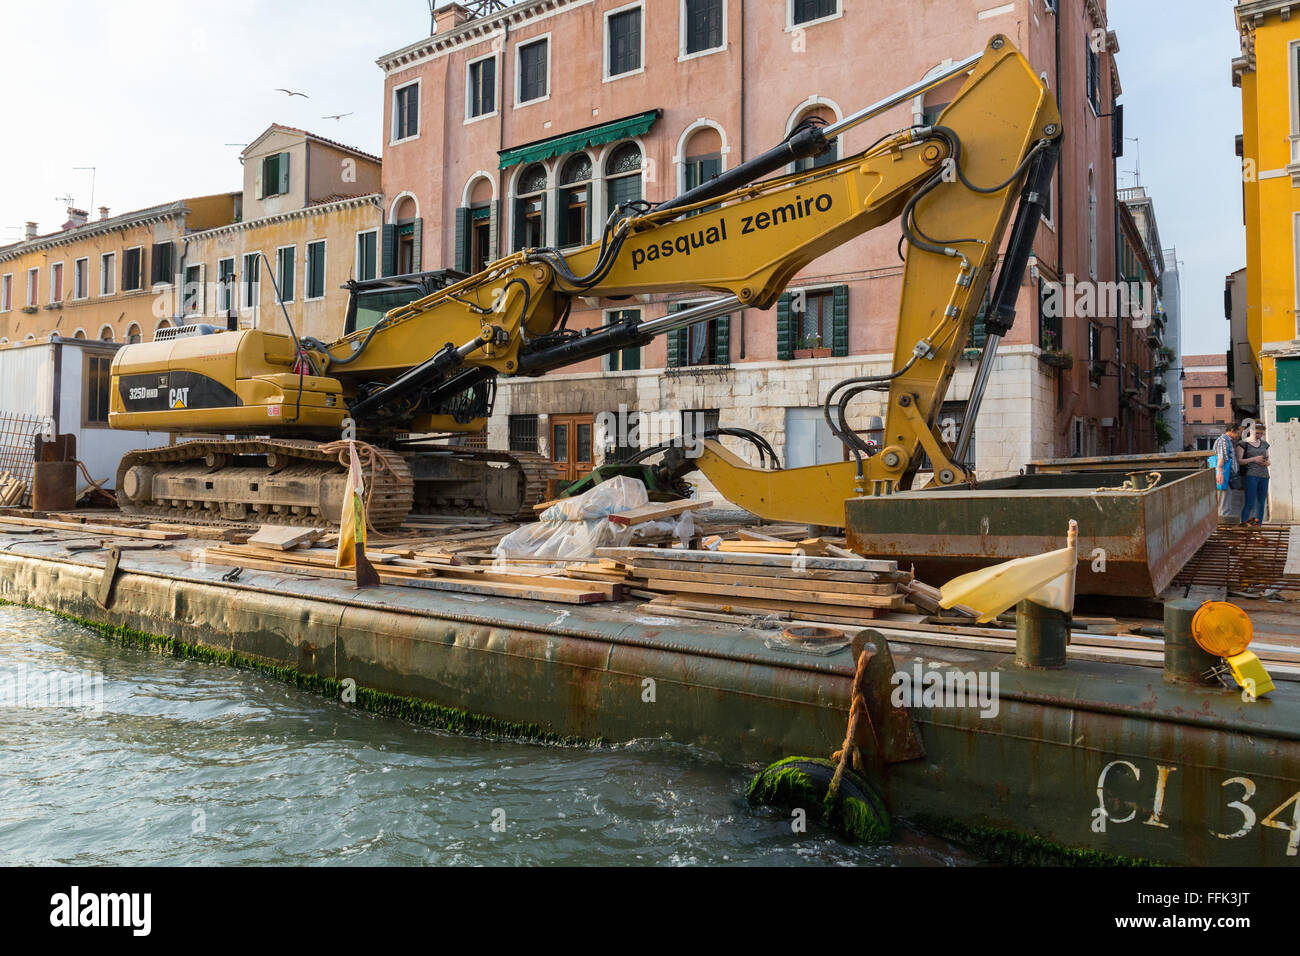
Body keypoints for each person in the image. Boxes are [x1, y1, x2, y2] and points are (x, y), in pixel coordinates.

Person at [1238, 422, 1271, 526]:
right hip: (1251, 475)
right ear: (1251, 431)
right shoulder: (1243, 444)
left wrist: (1267, 462)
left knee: (1261, 503)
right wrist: (1254, 459)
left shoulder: (1265, 444)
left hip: (1264, 475)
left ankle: (1258, 526)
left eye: (1261, 434)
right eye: (1257, 433)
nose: (1259, 436)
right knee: (1250, 503)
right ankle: (1244, 525)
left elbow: (1269, 460)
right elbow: (1239, 460)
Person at [1212, 422, 1242, 522]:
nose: (1240, 434)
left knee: (1226, 503)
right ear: (1232, 430)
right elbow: (1221, 458)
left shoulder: (1228, 441)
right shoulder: (1223, 441)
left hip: (1227, 475)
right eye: (1238, 432)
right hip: (1224, 476)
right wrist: (1219, 473)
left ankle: (1223, 527)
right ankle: (1222, 528)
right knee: (1223, 505)